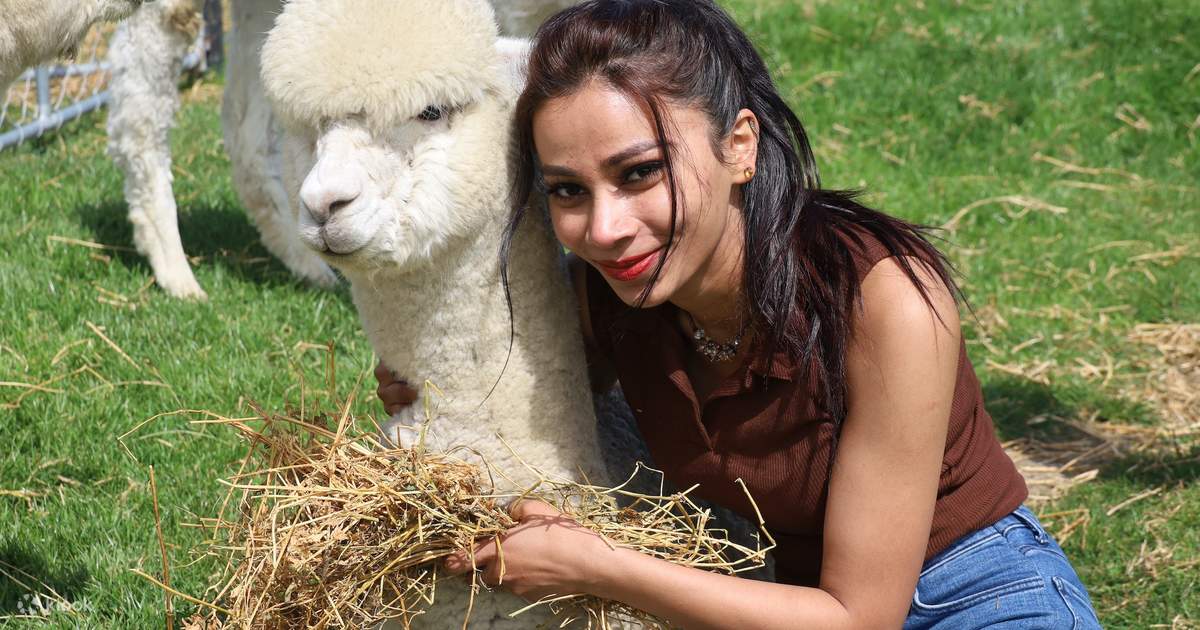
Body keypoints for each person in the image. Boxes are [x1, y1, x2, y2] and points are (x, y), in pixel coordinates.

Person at [376, 1, 1102, 627]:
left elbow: (859, 618)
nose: (604, 229)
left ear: (740, 146)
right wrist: (445, 386)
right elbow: (512, 395)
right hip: (772, 596)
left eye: (640, 173)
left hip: (970, 595)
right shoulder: (610, 293)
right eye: (568, 190)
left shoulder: (884, 301)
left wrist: (598, 566)